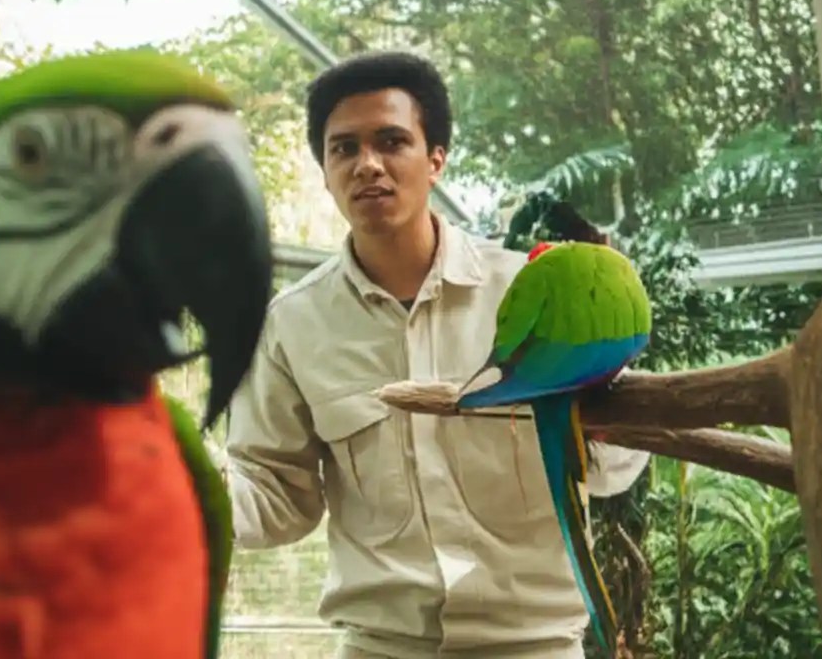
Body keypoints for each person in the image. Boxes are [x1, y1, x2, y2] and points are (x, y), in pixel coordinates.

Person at [219, 51, 650, 659]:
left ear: (436, 159)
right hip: (380, 648)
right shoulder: (292, 325)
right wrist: (176, 490)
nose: (367, 164)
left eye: (391, 141)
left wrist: (607, 404)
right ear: (324, 171)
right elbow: (279, 500)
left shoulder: (529, 291)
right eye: (343, 149)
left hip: (535, 647)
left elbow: (610, 467)